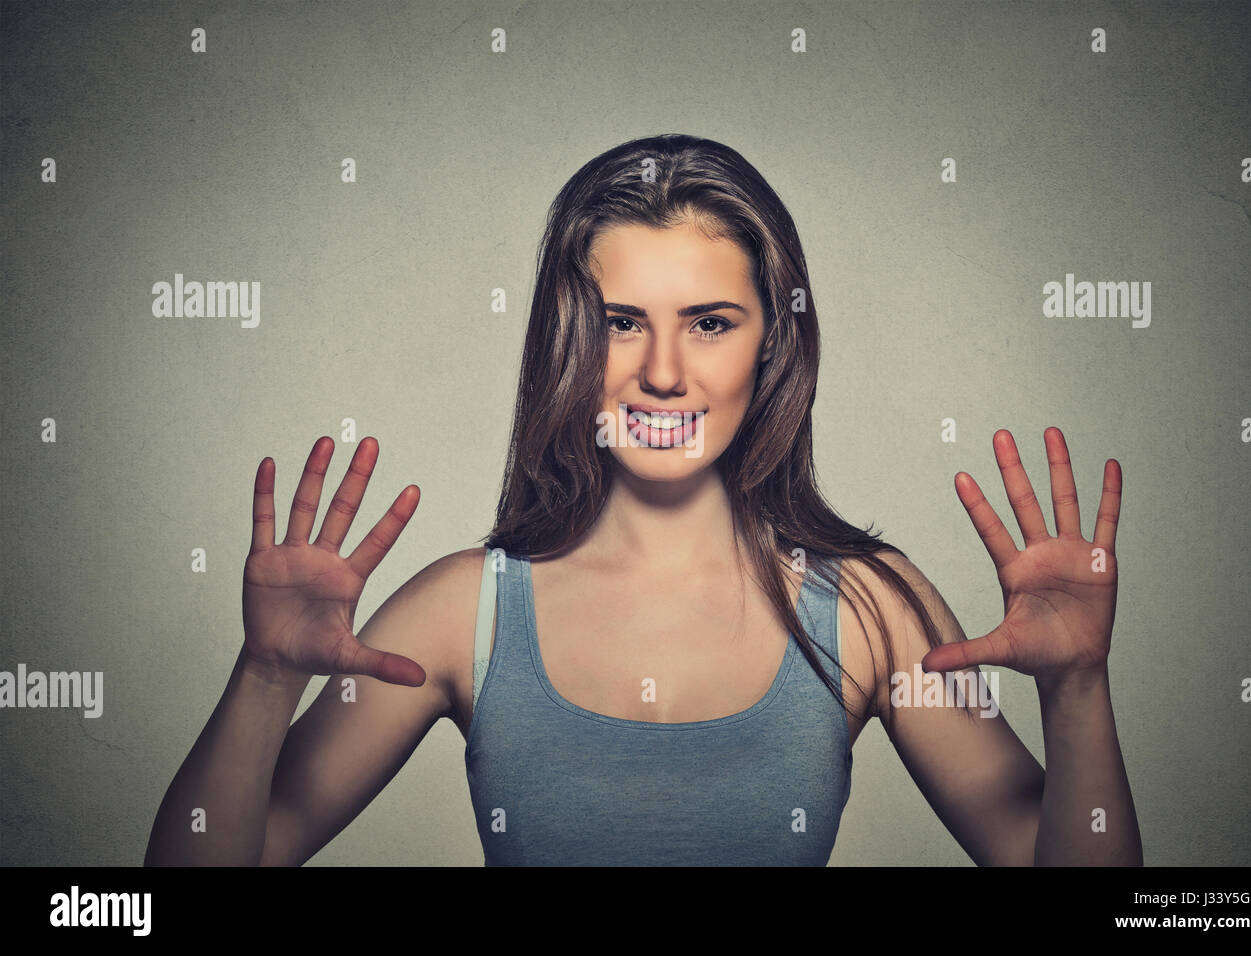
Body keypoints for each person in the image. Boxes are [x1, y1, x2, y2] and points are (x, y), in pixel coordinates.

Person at [144, 133, 1140, 866]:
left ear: (772, 343)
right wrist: (266, 674)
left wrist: (1078, 689)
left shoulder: (874, 609)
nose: (663, 371)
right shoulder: (464, 611)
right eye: (621, 321)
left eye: (709, 321)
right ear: (566, 344)